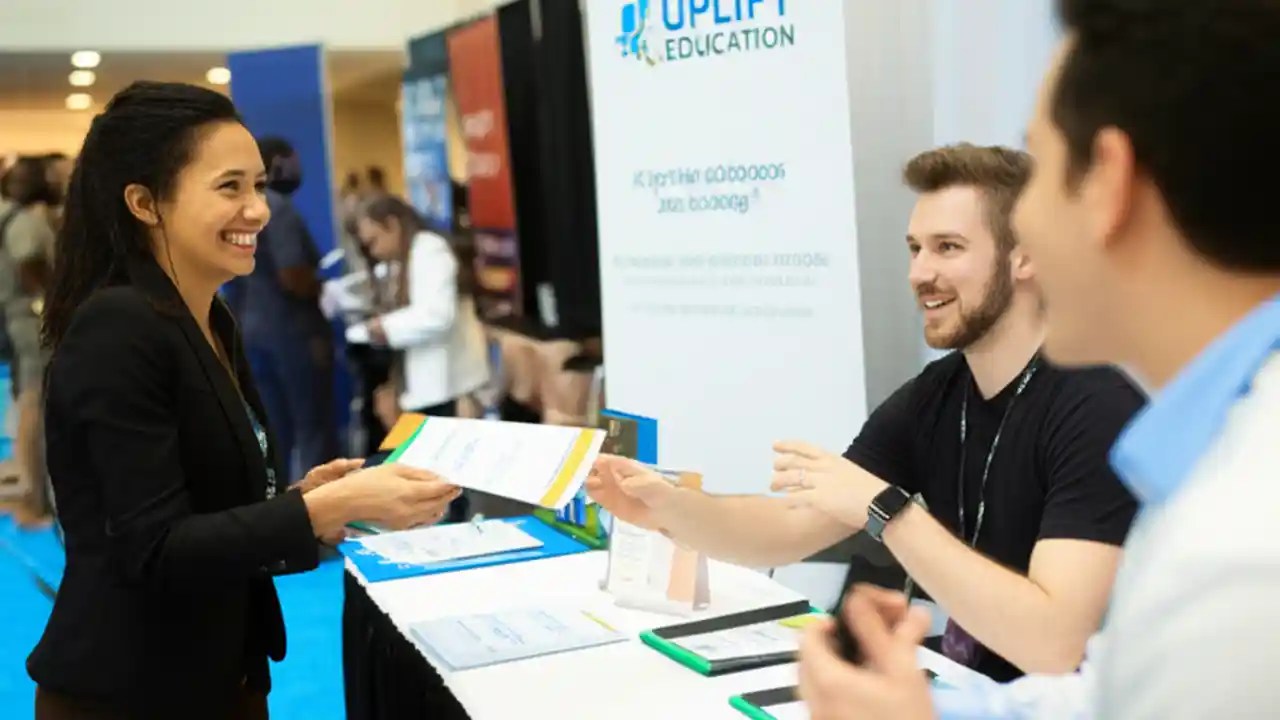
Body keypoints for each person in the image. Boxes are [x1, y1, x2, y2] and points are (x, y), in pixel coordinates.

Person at [798, 1, 1280, 718]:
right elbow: (1104, 696)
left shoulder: (1243, 553)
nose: (1023, 229)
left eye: (1043, 170)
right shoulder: (1217, 463)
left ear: (1108, 183)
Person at [589, 144, 1143, 682]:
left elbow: (1052, 646)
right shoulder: (937, 393)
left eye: (948, 247)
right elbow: (789, 528)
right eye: (915, 249)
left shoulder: (1096, 409)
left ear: (1026, 257)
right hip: (957, 685)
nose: (919, 272)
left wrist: (888, 512)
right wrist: (669, 509)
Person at [26, 81, 461, 720]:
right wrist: (323, 509)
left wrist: (304, 501)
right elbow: (153, 548)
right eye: (229, 187)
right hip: (135, 689)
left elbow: (203, 504)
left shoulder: (208, 317)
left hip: (222, 671)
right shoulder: (119, 327)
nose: (257, 209)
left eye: (259, 185)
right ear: (145, 203)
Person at [223, 136, 337, 482]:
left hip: (251, 333)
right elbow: (292, 275)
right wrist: (324, 288)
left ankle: (279, 503)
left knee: (274, 430)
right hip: (294, 334)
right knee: (313, 426)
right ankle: (320, 504)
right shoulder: (277, 207)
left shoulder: (233, 210)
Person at [347, 194, 489, 424]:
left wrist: (384, 327)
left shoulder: (429, 250)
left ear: (392, 224)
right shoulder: (405, 259)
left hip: (449, 388)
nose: (374, 252)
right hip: (433, 389)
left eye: (374, 241)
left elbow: (437, 316)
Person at [0, 156, 57, 527]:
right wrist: (53, 301)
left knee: (29, 398)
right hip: (31, 320)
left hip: (19, 318)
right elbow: (30, 264)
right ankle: (35, 498)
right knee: (35, 401)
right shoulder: (22, 221)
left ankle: (31, 490)